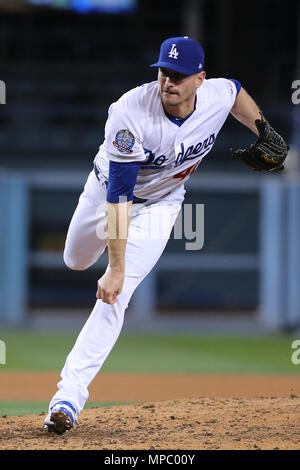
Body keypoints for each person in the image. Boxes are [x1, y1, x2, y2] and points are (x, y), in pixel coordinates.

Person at [43, 36, 288, 434]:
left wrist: (264, 130)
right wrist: (115, 265)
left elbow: (236, 92)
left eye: (178, 75)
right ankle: (104, 265)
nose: (167, 81)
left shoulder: (215, 95)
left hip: (162, 204)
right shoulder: (128, 112)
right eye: (163, 72)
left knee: (115, 296)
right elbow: (119, 196)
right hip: (107, 194)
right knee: (77, 260)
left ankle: (67, 398)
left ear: (199, 80)